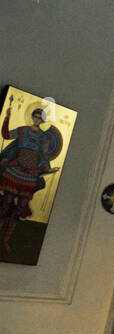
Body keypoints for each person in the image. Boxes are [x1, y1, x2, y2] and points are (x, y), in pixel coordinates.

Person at [0, 100, 63, 257]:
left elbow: (43, 157)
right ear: (32, 117)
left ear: (42, 120)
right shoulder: (23, 130)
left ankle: (5, 240)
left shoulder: (43, 138)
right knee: (6, 202)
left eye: (39, 117)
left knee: (21, 206)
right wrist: (7, 117)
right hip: (15, 171)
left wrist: (47, 168)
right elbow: (6, 135)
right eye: (34, 116)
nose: (36, 119)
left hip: (30, 175)